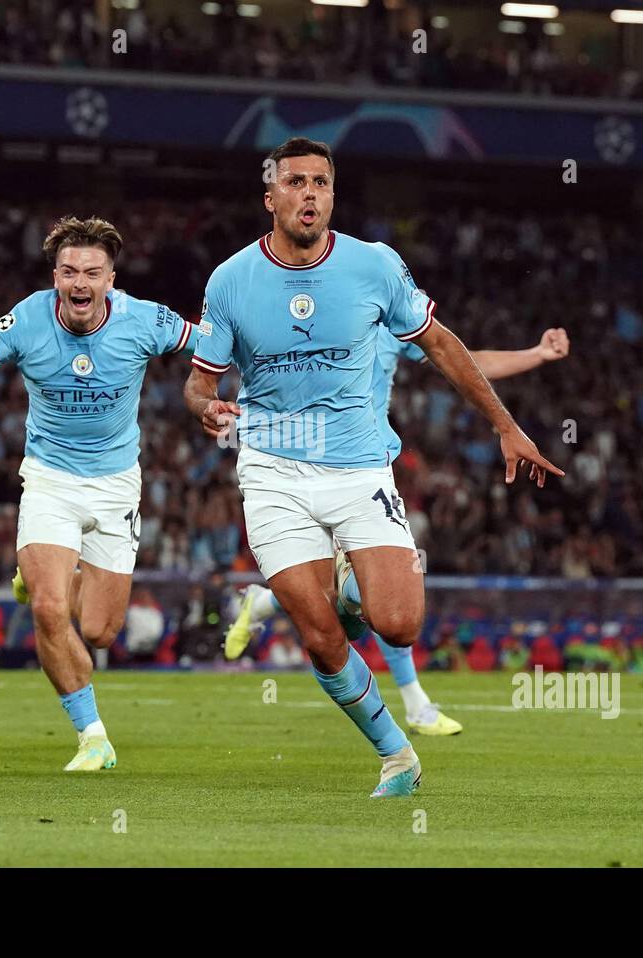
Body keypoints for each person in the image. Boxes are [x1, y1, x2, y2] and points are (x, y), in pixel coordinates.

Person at [183, 137, 561, 796]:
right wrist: (207, 410)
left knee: (398, 624)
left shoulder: (375, 266)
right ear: (269, 196)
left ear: (333, 194)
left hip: (359, 468)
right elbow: (198, 383)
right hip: (272, 469)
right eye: (295, 182)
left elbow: (443, 347)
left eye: (321, 183)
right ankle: (397, 757)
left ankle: (354, 579)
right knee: (321, 634)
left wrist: (507, 426)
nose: (310, 194)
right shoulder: (230, 280)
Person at [0, 215, 198, 771]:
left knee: (100, 633)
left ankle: (53, 571)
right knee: (50, 609)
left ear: (111, 278)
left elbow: (211, 351)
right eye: (68, 271)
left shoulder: (147, 320)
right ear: (55, 275)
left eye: (92, 272)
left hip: (116, 487)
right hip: (51, 481)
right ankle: (93, 737)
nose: (80, 282)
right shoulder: (28, 319)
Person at [223, 325, 571, 735]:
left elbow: (461, 359)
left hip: (365, 468)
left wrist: (535, 353)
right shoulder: (314, 302)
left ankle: (263, 605)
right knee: (348, 595)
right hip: (303, 468)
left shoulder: (390, 308)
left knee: (371, 594)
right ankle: (414, 706)